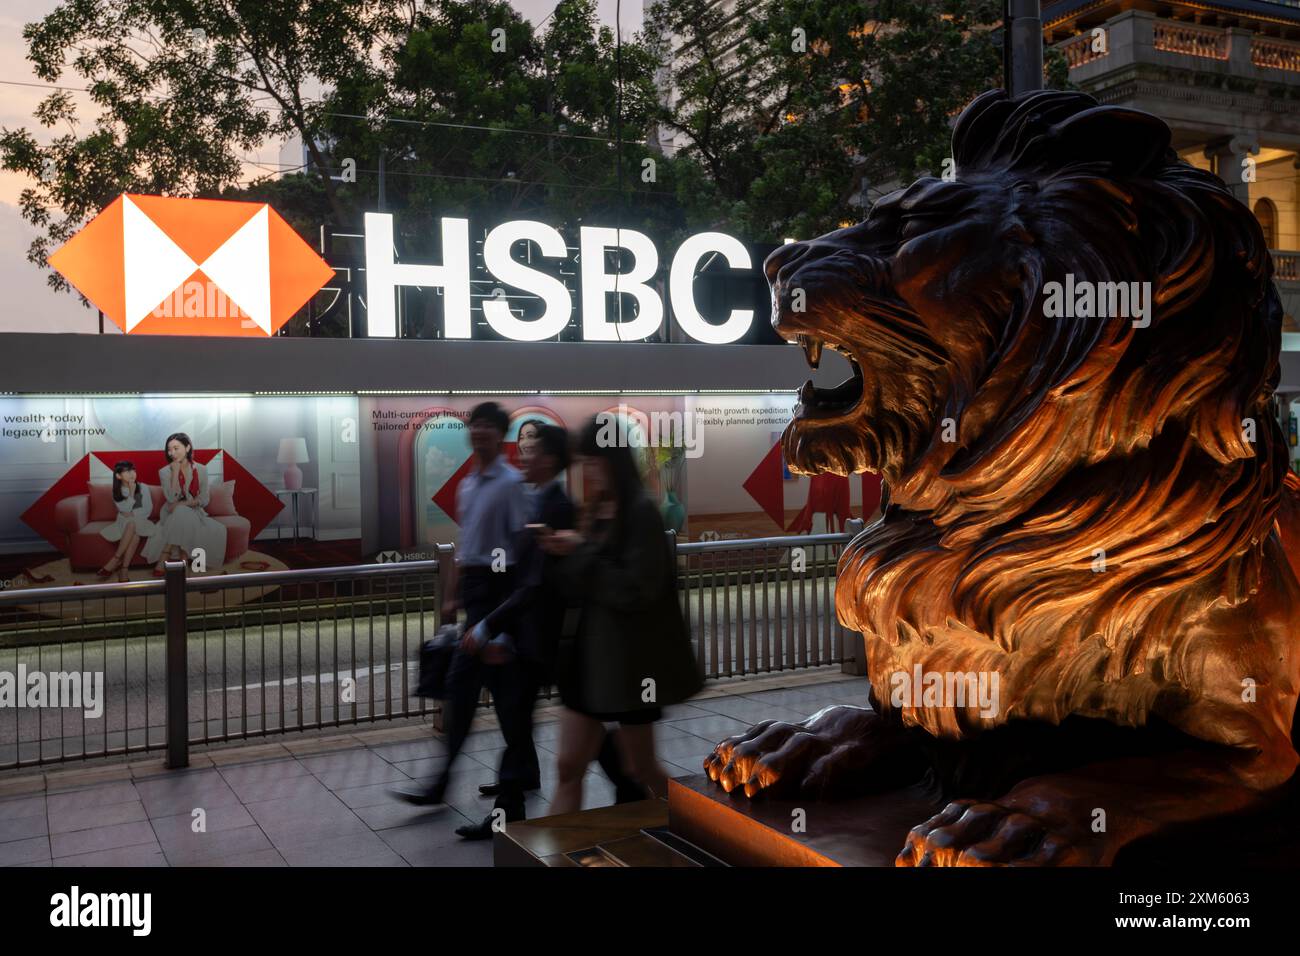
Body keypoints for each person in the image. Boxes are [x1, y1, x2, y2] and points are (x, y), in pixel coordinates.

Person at [541, 416, 701, 815]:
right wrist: (565, 553)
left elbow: (636, 589)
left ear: (613, 460)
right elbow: (580, 580)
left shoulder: (641, 512)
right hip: (587, 660)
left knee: (639, 767)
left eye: (594, 461)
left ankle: (695, 822)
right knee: (568, 766)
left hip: (630, 666)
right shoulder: (595, 509)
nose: (589, 471)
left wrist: (579, 551)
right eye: (585, 462)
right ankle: (559, 846)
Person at [394, 402, 531, 815]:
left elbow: (520, 550)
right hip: (476, 593)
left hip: (499, 594)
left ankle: (503, 785)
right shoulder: (469, 484)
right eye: (475, 425)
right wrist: (452, 595)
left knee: (495, 698)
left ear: (501, 434)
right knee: (471, 694)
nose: (479, 431)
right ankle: (457, 779)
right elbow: (464, 544)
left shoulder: (511, 484)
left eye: (488, 426)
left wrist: (502, 622)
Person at [142, 433, 227, 576]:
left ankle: (166, 554)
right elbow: (171, 498)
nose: (172, 453)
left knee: (182, 511)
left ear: (187, 448)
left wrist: (183, 504)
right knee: (181, 513)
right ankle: (184, 562)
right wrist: (175, 472)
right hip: (171, 512)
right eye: (169, 450)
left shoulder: (201, 469)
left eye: (176, 448)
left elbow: (205, 498)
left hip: (194, 511)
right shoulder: (164, 472)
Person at [97, 460, 155, 582]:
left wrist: (132, 513)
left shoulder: (143, 487)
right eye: (127, 471)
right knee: (134, 530)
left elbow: (148, 509)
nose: (132, 473)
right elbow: (124, 509)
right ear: (118, 476)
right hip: (124, 522)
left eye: (133, 470)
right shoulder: (117, 492)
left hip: (141, 521)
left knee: (133, 524)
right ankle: (124, 569)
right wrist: (132, 493)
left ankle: (115, 559)